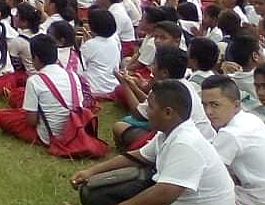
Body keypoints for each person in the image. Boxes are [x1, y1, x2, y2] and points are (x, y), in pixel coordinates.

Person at [70, 80, 235, 205]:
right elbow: (137, 156)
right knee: (92, 192)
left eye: (150, 107)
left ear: (168, 113)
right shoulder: (169, 132)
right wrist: (91, 171)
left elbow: (164, 193)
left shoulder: (185, 143)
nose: (146, 112)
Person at [0, 34, 84, 146]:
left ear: (35, 58)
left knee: (3, 117)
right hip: (74, 131)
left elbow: (31, 121)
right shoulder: (73, 76)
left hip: (49, 136)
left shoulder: (34, 80)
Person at [199, 75, 265, 205]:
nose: (208, 112)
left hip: (253, 199)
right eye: (204, 105)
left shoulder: (231, 134)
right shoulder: (250, 118)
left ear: (236, 105)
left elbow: (205, 173)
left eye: (215, 105)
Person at [79, 9, 120, 99]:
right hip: (113, 86)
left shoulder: (90, 45)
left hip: (95, 88)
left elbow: (79, 66)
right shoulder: (114, 41)